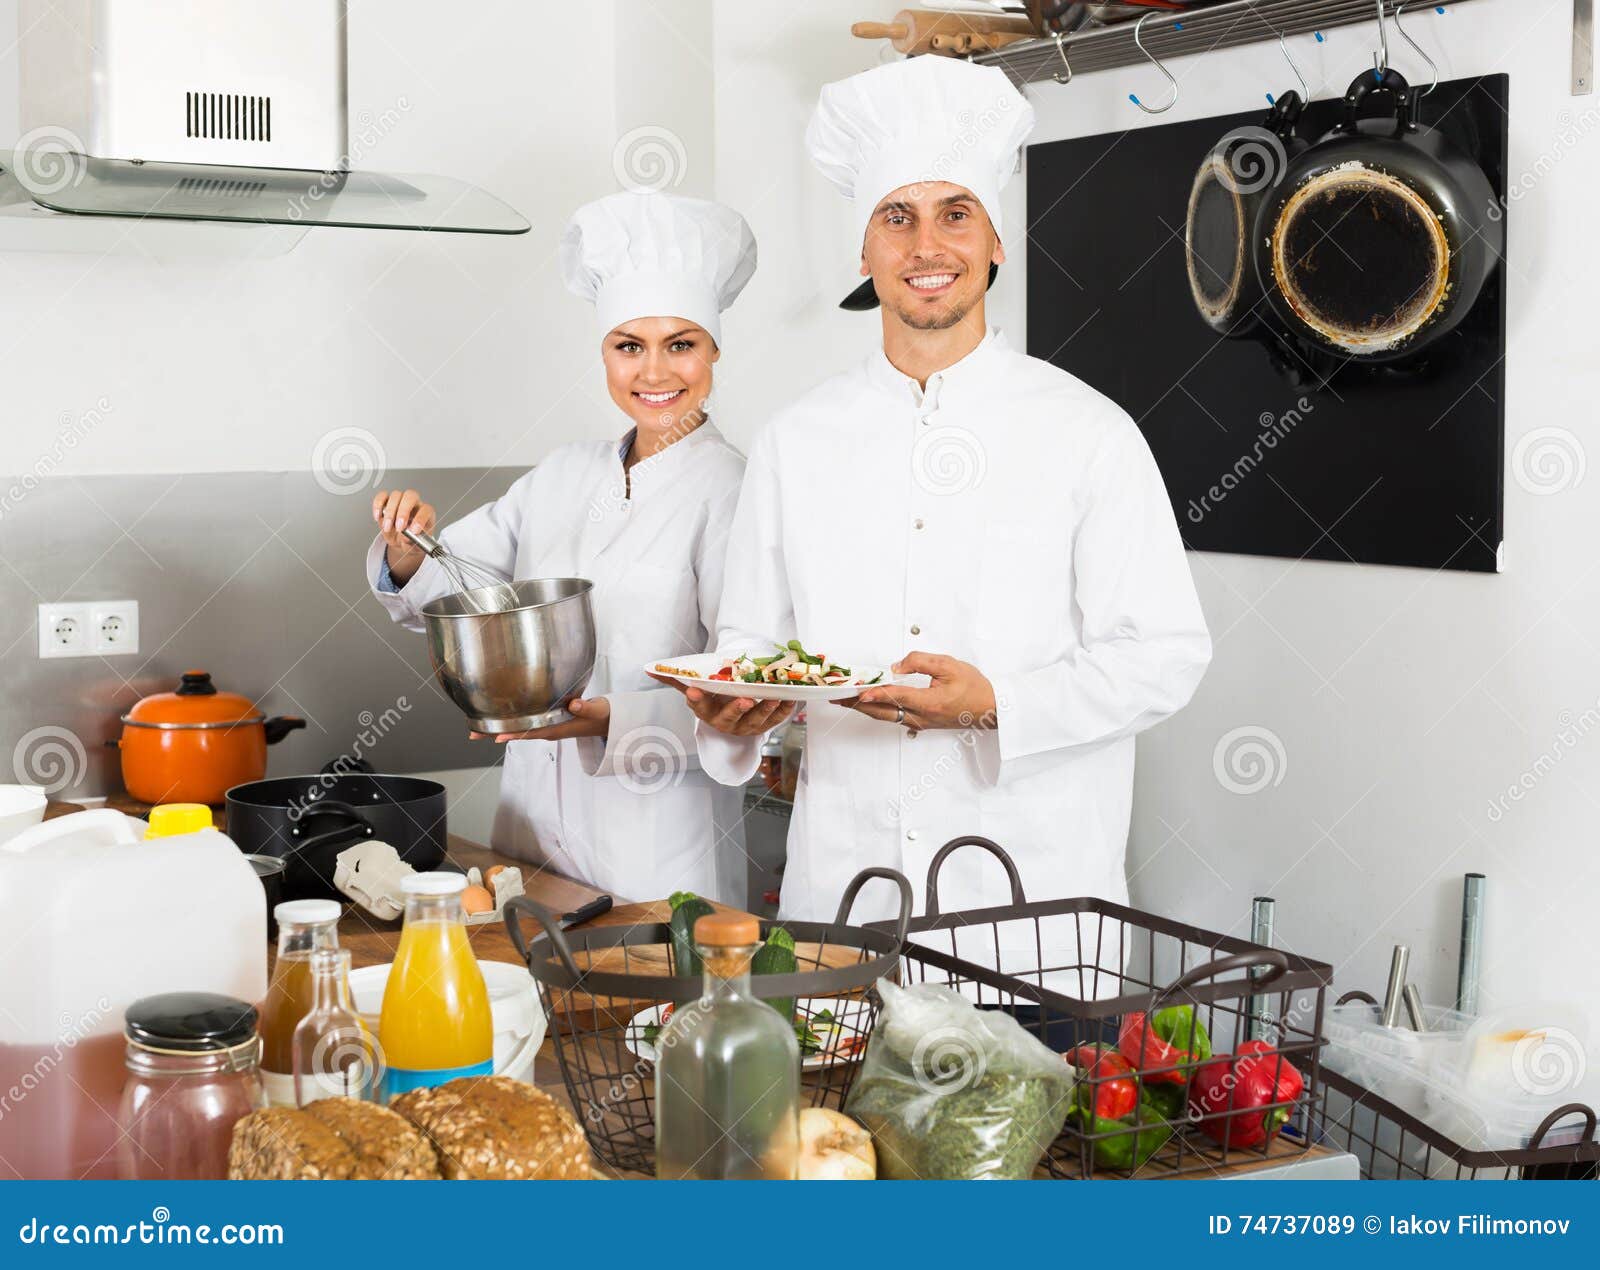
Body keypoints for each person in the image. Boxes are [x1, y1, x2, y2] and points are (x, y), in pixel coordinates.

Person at [658, 56, 1212, 960]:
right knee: (824, 1111)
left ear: (996, 242)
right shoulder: (796, 442)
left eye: (955, 214)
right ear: (865, 250)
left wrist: (998, 703)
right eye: (897, 217)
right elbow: (752, 646)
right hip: (844, 910)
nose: (926, 247)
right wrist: (733, 709)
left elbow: (1165, 656)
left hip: (1035, 919)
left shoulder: (1088, 432)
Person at [368, 191, 757, 904]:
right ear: (604, 354)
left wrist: (610, 719)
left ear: (713, 352)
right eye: (629, 346)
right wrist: (407, 547)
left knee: (643, 1012)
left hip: (655, 847)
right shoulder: (563, 473)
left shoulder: (731, 489)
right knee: (532, 1008)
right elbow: (462, 588)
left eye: (681, 344)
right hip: (528, 834)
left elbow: (741, 693)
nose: (655, 373)